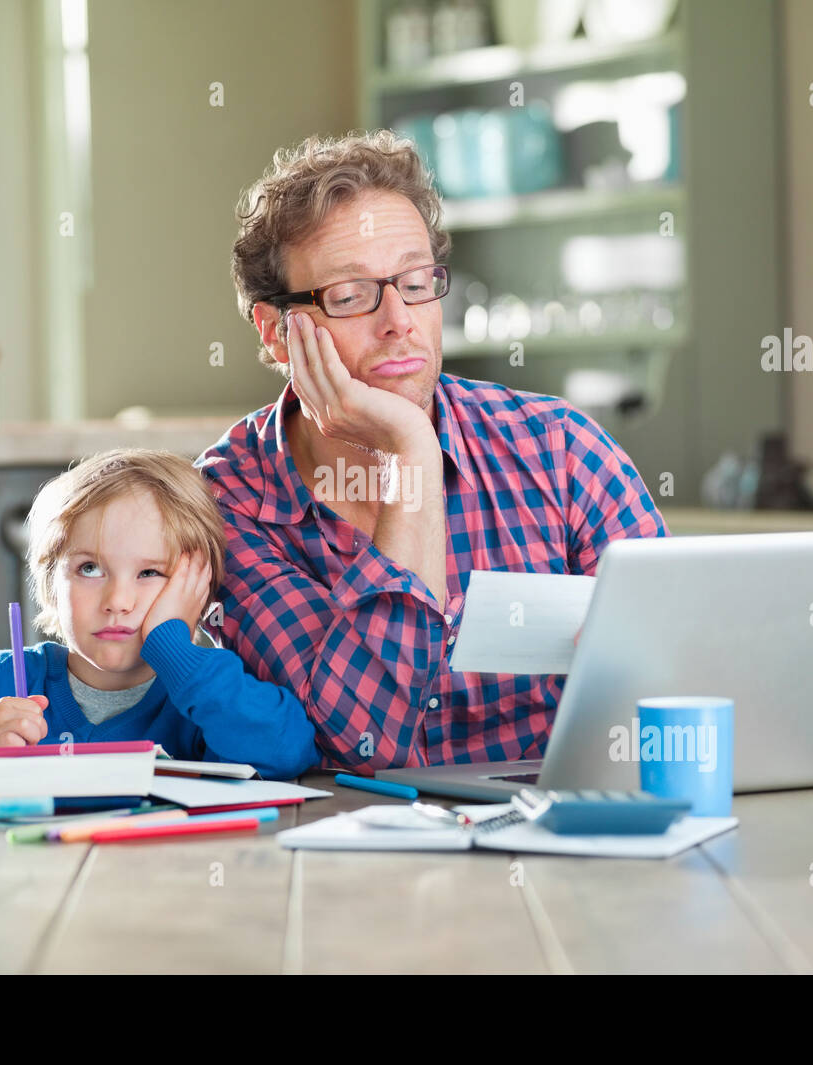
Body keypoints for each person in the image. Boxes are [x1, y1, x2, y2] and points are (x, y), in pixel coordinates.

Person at [196, 129, 669, 772]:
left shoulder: (562, 451)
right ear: (278, 333)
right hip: (343, 850)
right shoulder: (227, 504)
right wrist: (412, 452)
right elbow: (364, 742)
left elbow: (680, 686)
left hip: (556, 838)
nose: (400, 320)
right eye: (352, 295)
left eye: (417, 282)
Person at [0, 449, 319, 782]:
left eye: (149, 574)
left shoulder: (203, 695)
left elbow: (286, 750)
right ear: (49, 583)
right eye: (90, 568)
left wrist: (175, 649)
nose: (118, 600)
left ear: (199, 589)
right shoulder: (2, 683)